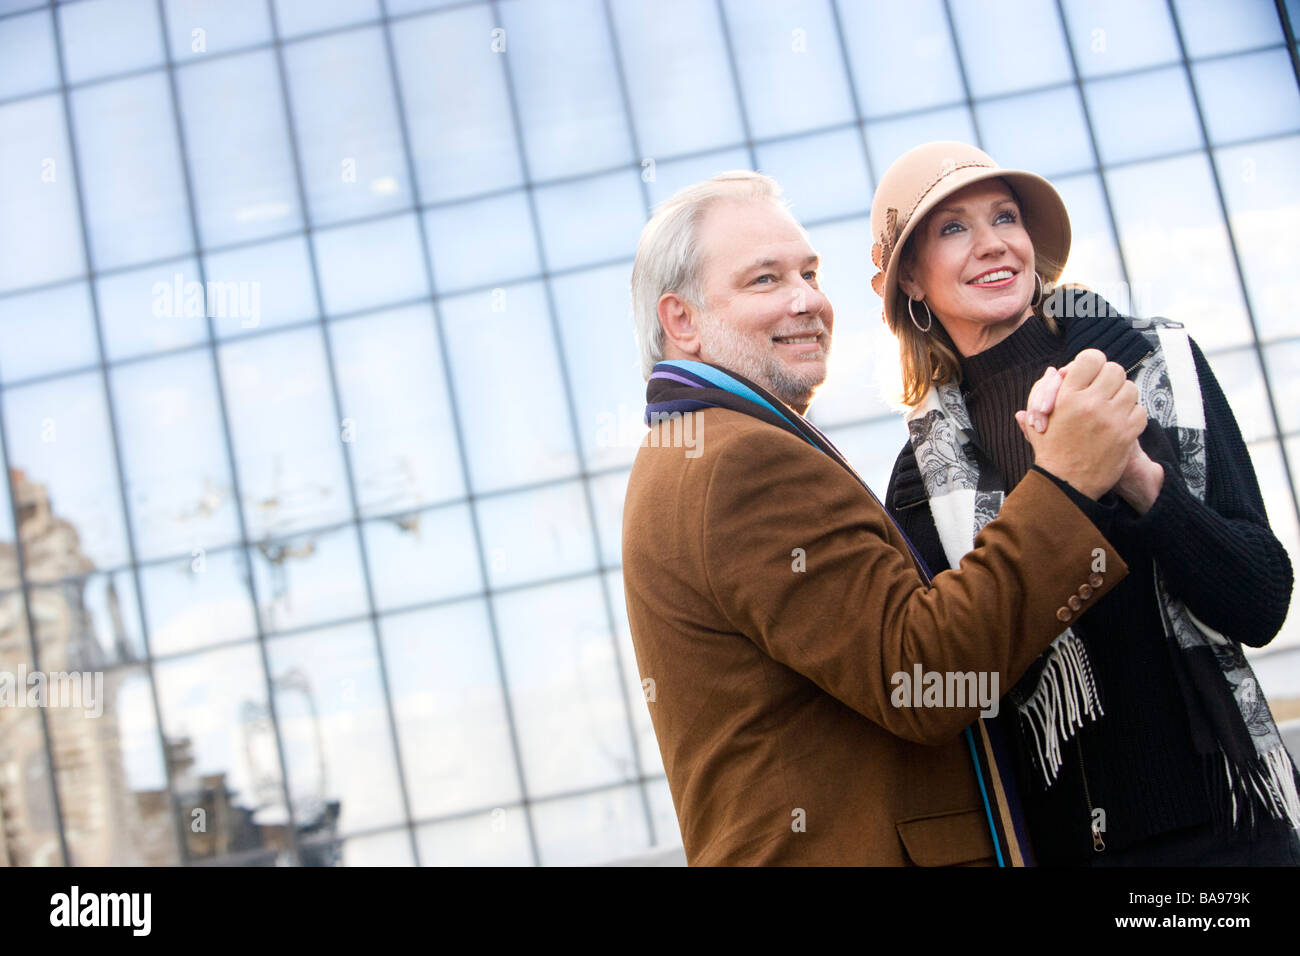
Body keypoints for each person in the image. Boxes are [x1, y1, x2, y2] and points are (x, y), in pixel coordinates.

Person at [621, 170, 1146, 865]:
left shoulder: (704, 451)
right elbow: (920, 673)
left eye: (809, 272)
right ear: (682, 321)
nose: (808, 300)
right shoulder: (736, 464)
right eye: (766, 281)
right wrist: (1067, 483)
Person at [873, 140, 1300, 865]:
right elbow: (961, 684)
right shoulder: (922, 479)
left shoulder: (1161, 367)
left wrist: (1137, 475)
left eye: (1004, 216)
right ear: (911, 278)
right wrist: (1059, 494)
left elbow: (1260, 600)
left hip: (1230, 825)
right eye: (953, 229)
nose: (992, 244)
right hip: (1073, 845)